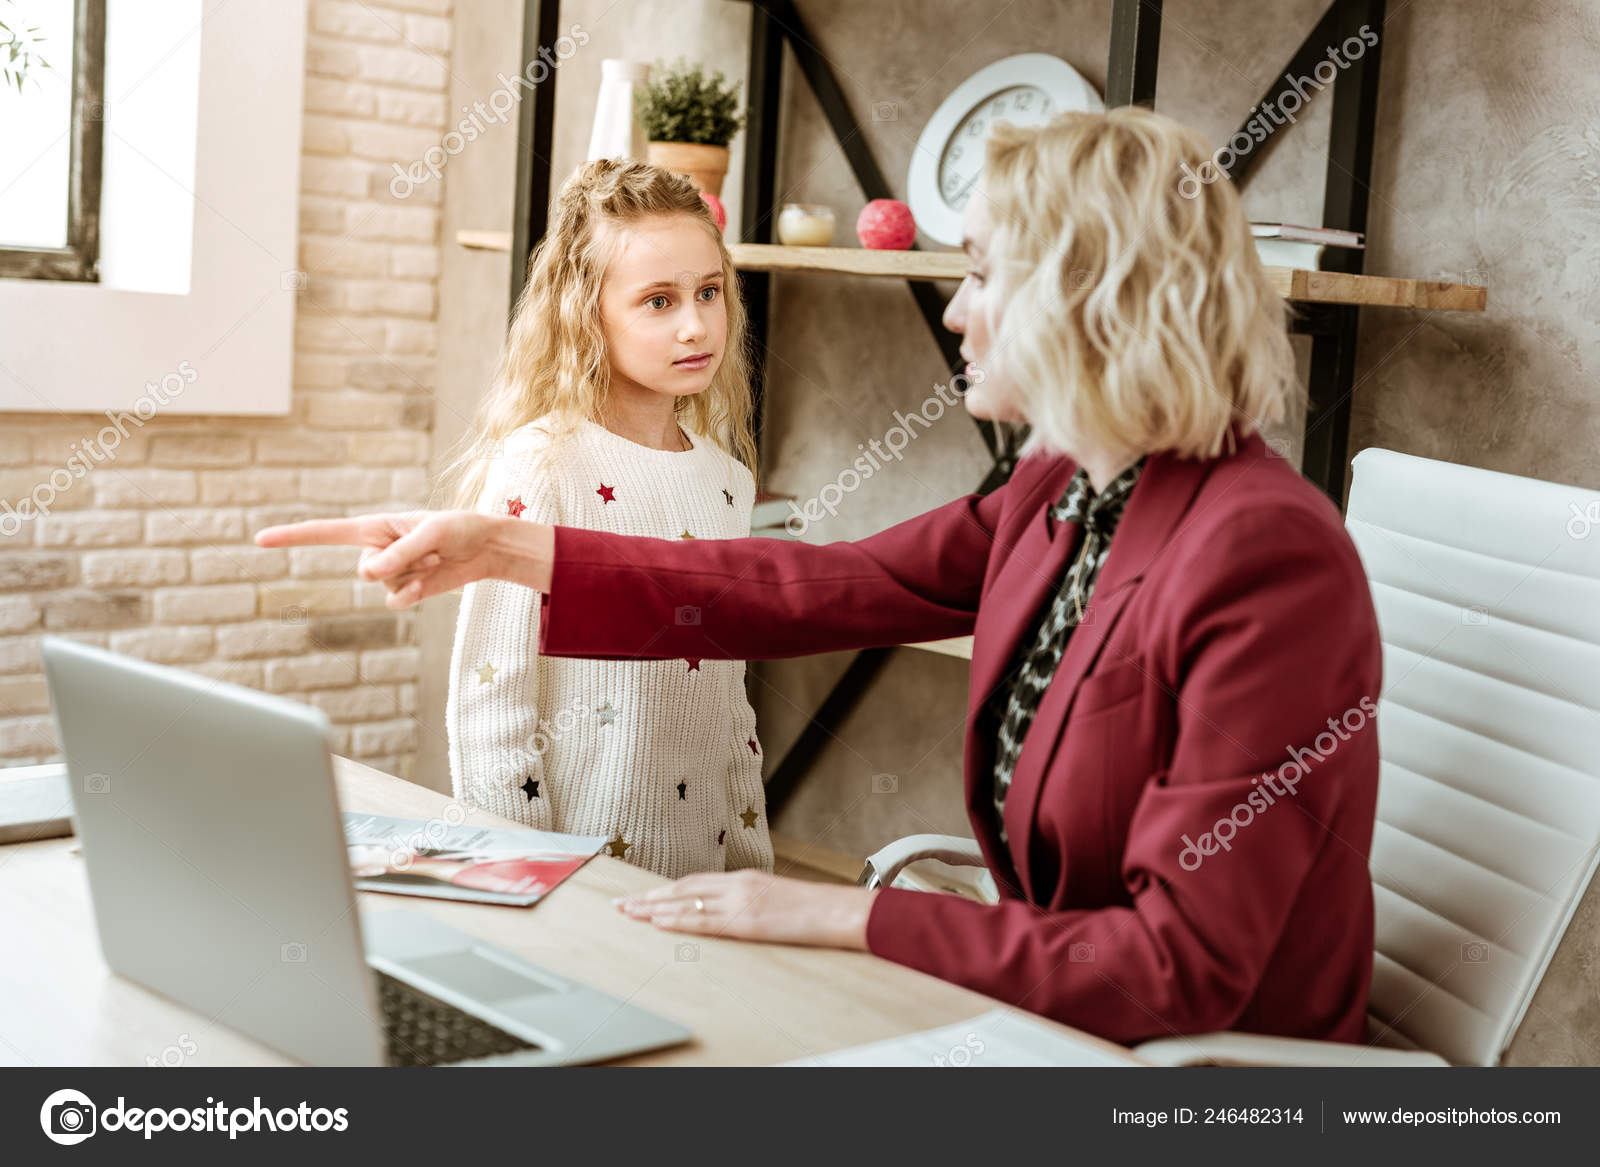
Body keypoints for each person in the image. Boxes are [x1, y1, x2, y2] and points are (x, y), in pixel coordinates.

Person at [257, 108, 1382, 1046]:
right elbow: (818, 587)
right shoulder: (1063, 487)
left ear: (1095, 300)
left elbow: (1175, 970)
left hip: (1200, 1072)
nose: (951, 312)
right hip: (1059, 1021)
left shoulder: (1264, 557)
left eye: (983, 276)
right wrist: (509, 548)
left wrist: (843, 915)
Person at [434, 157, 771, 880]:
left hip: (701, 882)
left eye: (708, 292)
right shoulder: (542, 466)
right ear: (586, 313)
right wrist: (524, 879)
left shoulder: (727, 483)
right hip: (574, 884)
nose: (694, 325)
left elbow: (729, 709)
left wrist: (752, 868)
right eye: (657, 301)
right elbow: (492, 703)